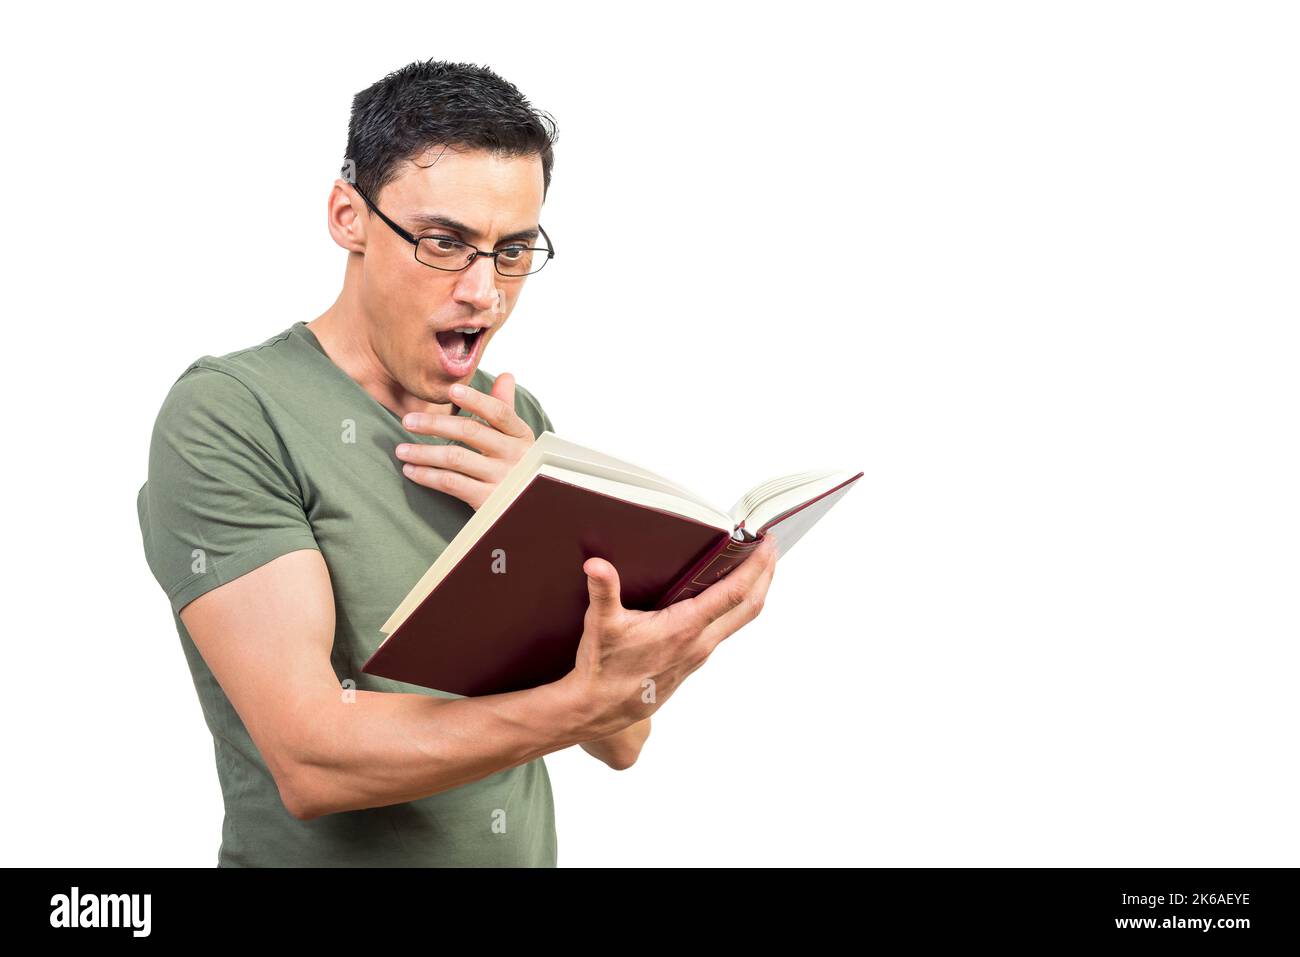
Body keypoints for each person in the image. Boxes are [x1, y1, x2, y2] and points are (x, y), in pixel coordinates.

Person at [136, 58, 777, 867]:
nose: (486, 292)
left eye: (513, 251)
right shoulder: (231, 414)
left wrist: (557, 540)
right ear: (348, 217)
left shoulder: (510, 423)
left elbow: (622, 740)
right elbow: (311, 756)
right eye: (446, 243)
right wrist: (581, 702)